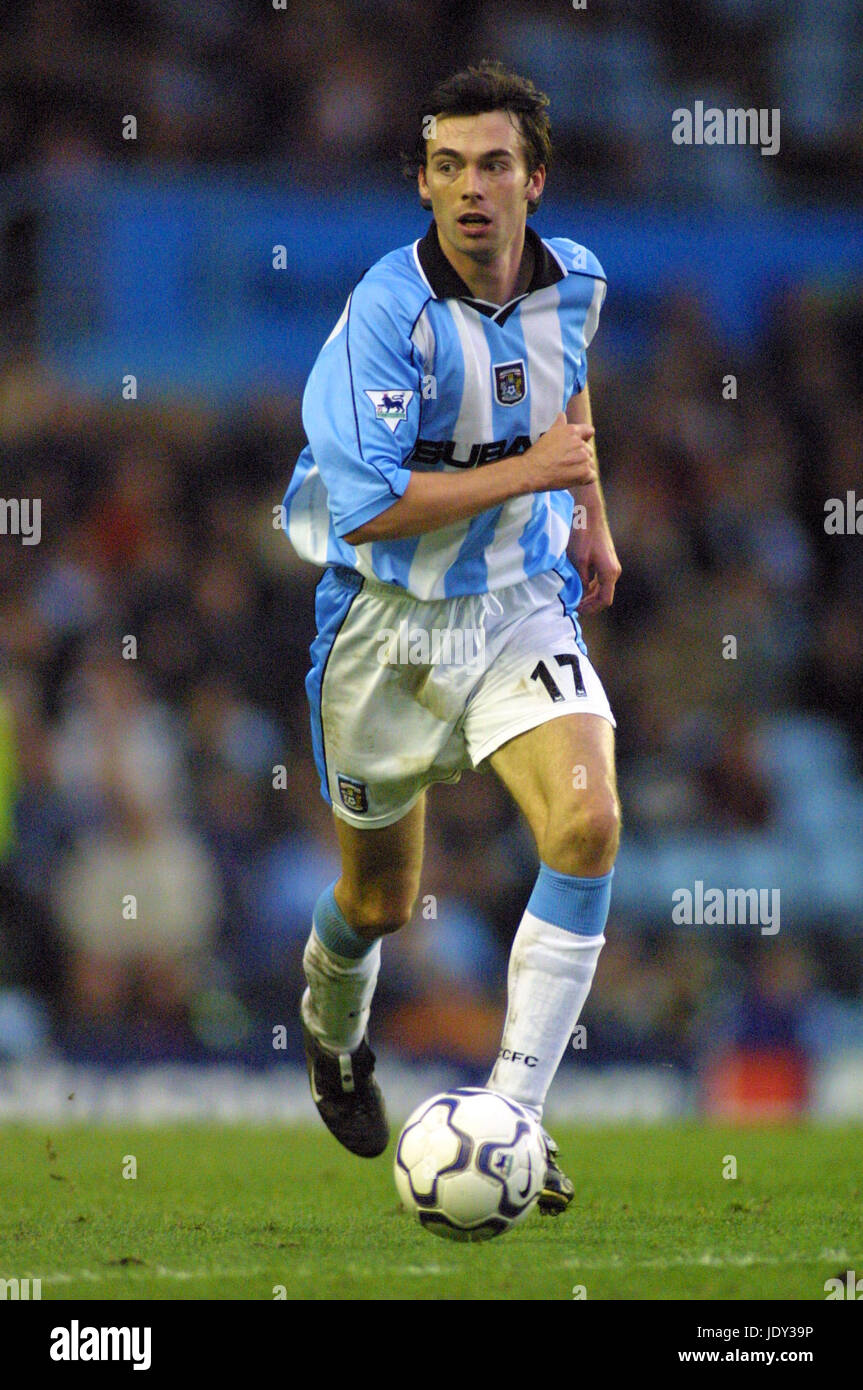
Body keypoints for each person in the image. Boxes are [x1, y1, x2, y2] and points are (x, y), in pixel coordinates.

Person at [282, 60, 621, 1213]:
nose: (468, 189)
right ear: (421, 185)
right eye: (444, 167)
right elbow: (371, 506)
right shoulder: (387, 314)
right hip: (382, 623)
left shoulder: (576, 280)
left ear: (535, 179)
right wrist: (538, 472)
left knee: (586, 821)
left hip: (517, 599)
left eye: (491, 165)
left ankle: (515, 1117)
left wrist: (589, 517)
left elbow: (563, 389)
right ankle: (331, 1033)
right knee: (377, 901)